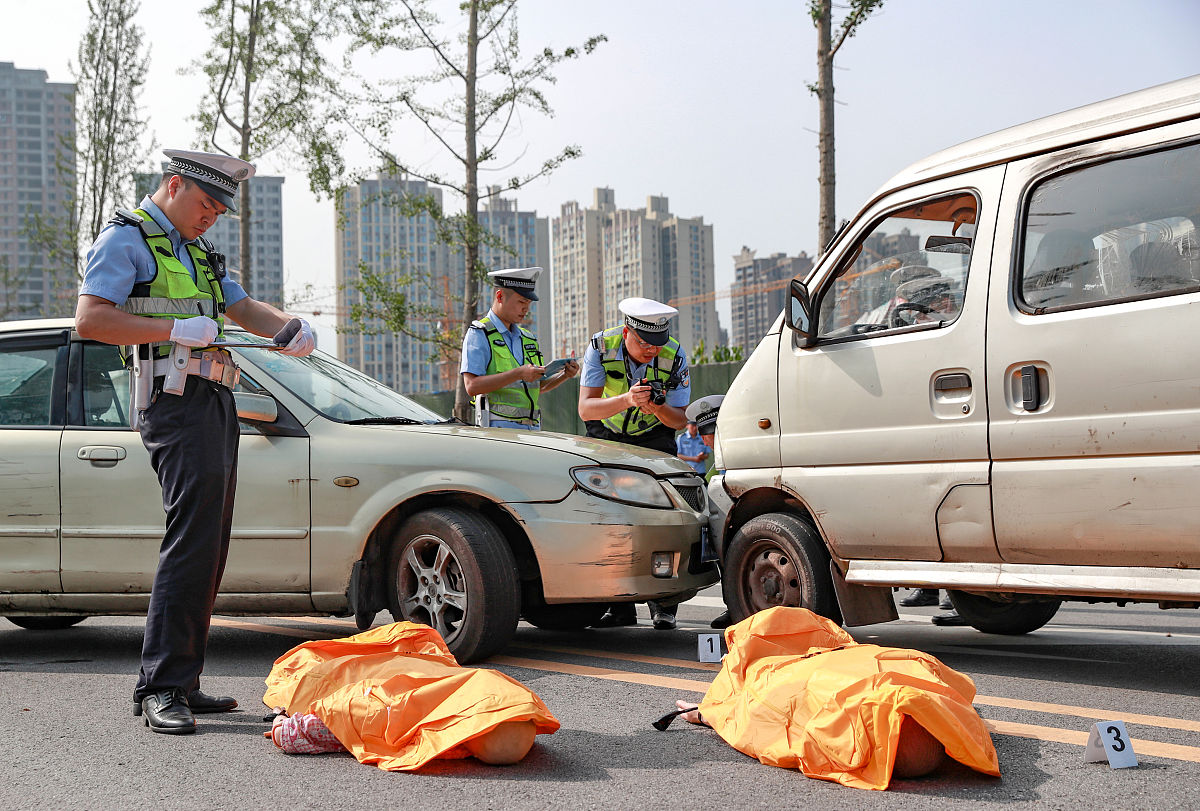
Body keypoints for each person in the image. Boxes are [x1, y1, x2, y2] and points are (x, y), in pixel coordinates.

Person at [74, 149, 317, 735]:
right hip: (173, 400)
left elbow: (240, 306)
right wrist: (174, 329)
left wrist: (288, 326)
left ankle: (182, 681)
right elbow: (91, 320)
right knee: (191, 540)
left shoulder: (199, 251)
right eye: (205, 204)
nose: (211, 216)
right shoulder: (126, 239)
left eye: (219, 211)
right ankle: (160, 687)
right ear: (174, 184)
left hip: (213, 400)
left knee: (209, 543)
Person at [578, 297, 692, 630]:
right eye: (644, 343)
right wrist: (627, 399)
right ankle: (620, 606)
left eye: (657, 343)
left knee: (664, 517)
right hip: (607, 433)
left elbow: (681, 419)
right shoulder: (601, 347)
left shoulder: (675, 354)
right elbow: (586, 408)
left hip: (655, 434)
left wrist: (657, 408)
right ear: (627, 332)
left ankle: (665, 604)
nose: (652, 350)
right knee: (610, 519)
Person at [460, 267, 578, 429]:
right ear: (500, 296)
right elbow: (472, 386)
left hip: (533, 429)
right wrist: (518, 374)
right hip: (497, 432)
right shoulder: (480, 334)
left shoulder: (528, 338)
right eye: (521, 302)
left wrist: (564, 375)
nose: (526, 309)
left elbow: (538, 386)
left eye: (528, 303)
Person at [685, 395, 732, 629]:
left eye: (712, 432)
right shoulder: (716, 462)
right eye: (705, 434)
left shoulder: (736, 456)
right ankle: (734, 607)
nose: (707, 439)